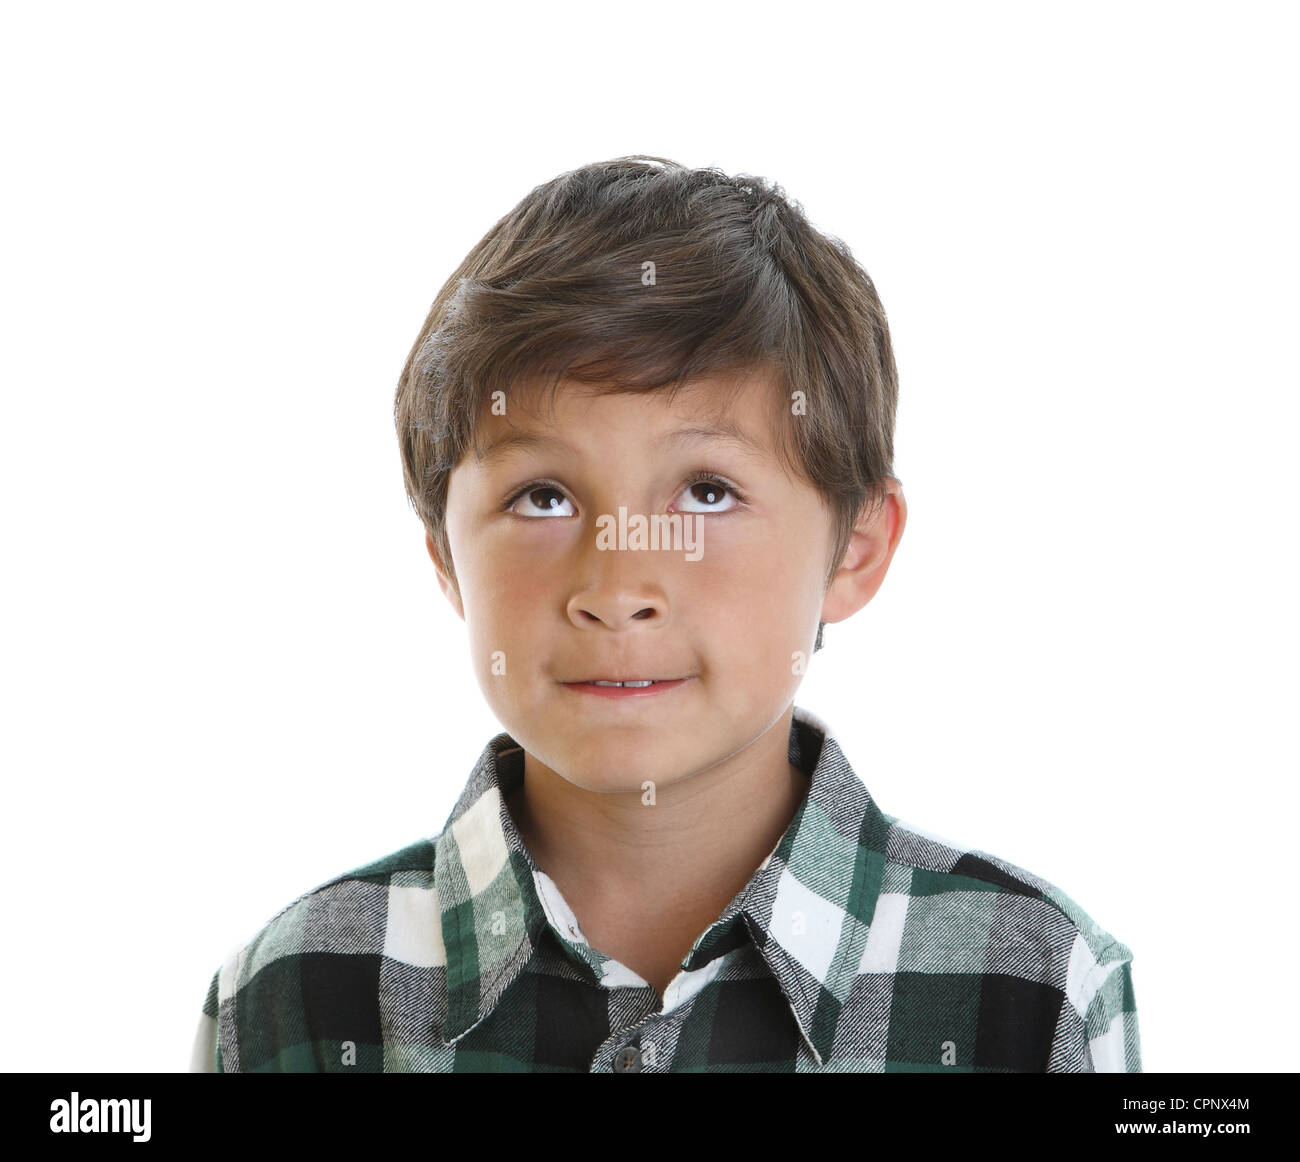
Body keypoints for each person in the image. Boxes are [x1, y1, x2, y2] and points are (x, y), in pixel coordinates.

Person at [191, 155, 1140, 1073]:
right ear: (445, 554)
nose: (617, 588)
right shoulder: (291, 993)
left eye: (708, 493)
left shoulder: (1035, 987)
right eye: (543, 497)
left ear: (854, 547)